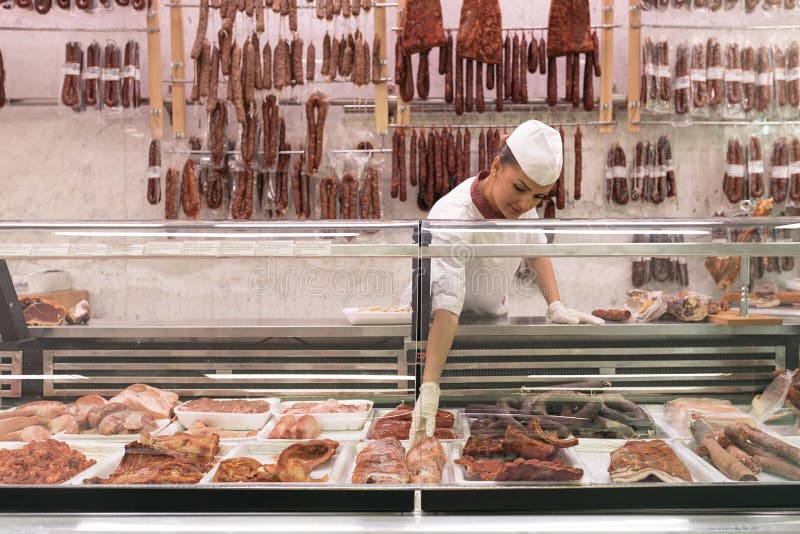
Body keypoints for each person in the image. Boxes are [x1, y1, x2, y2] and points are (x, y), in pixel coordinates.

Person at [409, 120, 604, 447]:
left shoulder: (522, 208)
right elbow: (446, 307)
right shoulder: (452, 216)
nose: (526, 205)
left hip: (490, 328)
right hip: (436, 334)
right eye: (520, 189)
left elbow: (536, 253)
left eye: (538, 196)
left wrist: (554, 304)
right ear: (496, 167)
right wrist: (428, 388)